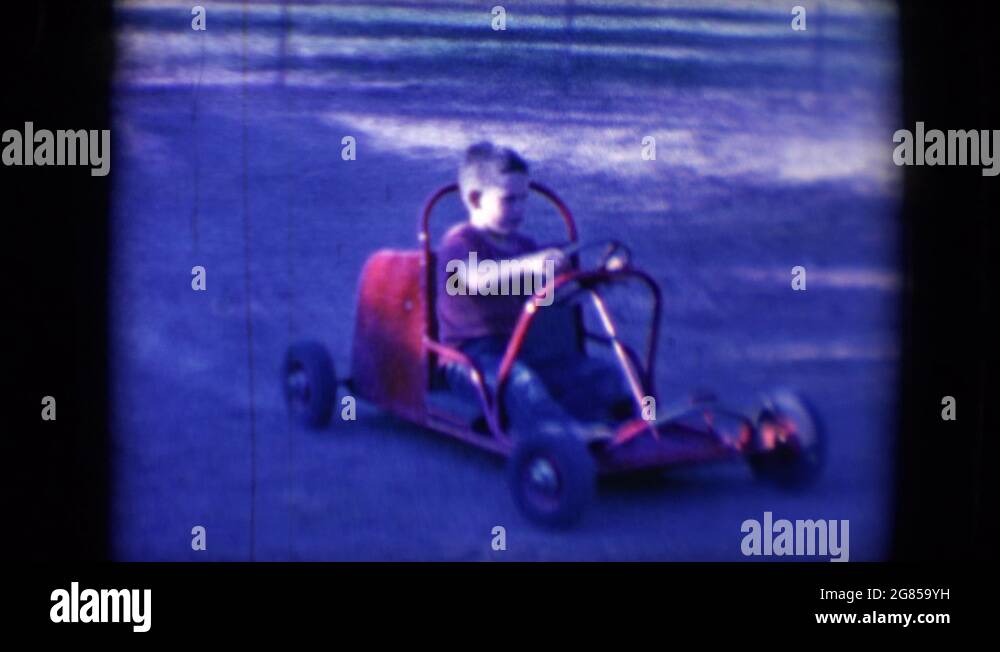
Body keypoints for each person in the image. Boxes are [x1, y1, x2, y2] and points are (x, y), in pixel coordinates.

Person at [435, 142, 634, 437]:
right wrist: (528, 265)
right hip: (471, 359)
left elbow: (552, 297)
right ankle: (560, 434)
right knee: (520, 382)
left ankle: (627, 427)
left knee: (601, 374)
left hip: (525, 348)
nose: (520, 210)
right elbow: (472, 280)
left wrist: (600, 278)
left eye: (523, 200)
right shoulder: (460, 243)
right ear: (476, 199)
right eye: (509, 200)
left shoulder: (522, 246)